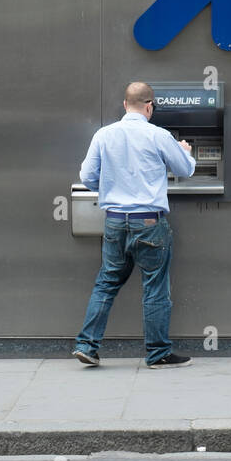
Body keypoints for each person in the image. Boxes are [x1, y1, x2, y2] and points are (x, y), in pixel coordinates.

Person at [72, 81, 196, 368]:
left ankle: (87, 346)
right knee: (154, 287)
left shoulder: (104, 135)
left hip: (115, 222)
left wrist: (111, 186)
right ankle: (158, 354)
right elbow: (185, 170)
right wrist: (185, 150)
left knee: (106, 283)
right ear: (149, 106)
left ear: (125, 104)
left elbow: (89, 176)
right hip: (149, 223)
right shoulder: (159, 135)